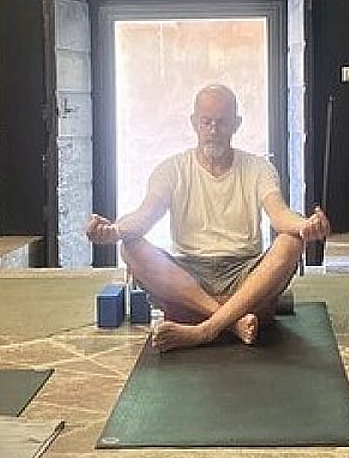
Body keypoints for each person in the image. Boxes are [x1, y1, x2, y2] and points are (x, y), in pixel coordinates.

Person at [87, 84, 330, 352]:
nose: (213, 131)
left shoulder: (259, 169)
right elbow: (144, 216)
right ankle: (233, 319)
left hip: (244, 270)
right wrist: (114, 230)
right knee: (131, 246)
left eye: (222, 123)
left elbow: (280, 214)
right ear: (194, 123)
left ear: (236, 124)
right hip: (190, 274)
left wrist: (305, 226)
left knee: (292, 242)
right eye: (206, 122)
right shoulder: (171, 169)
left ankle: (204, 328)